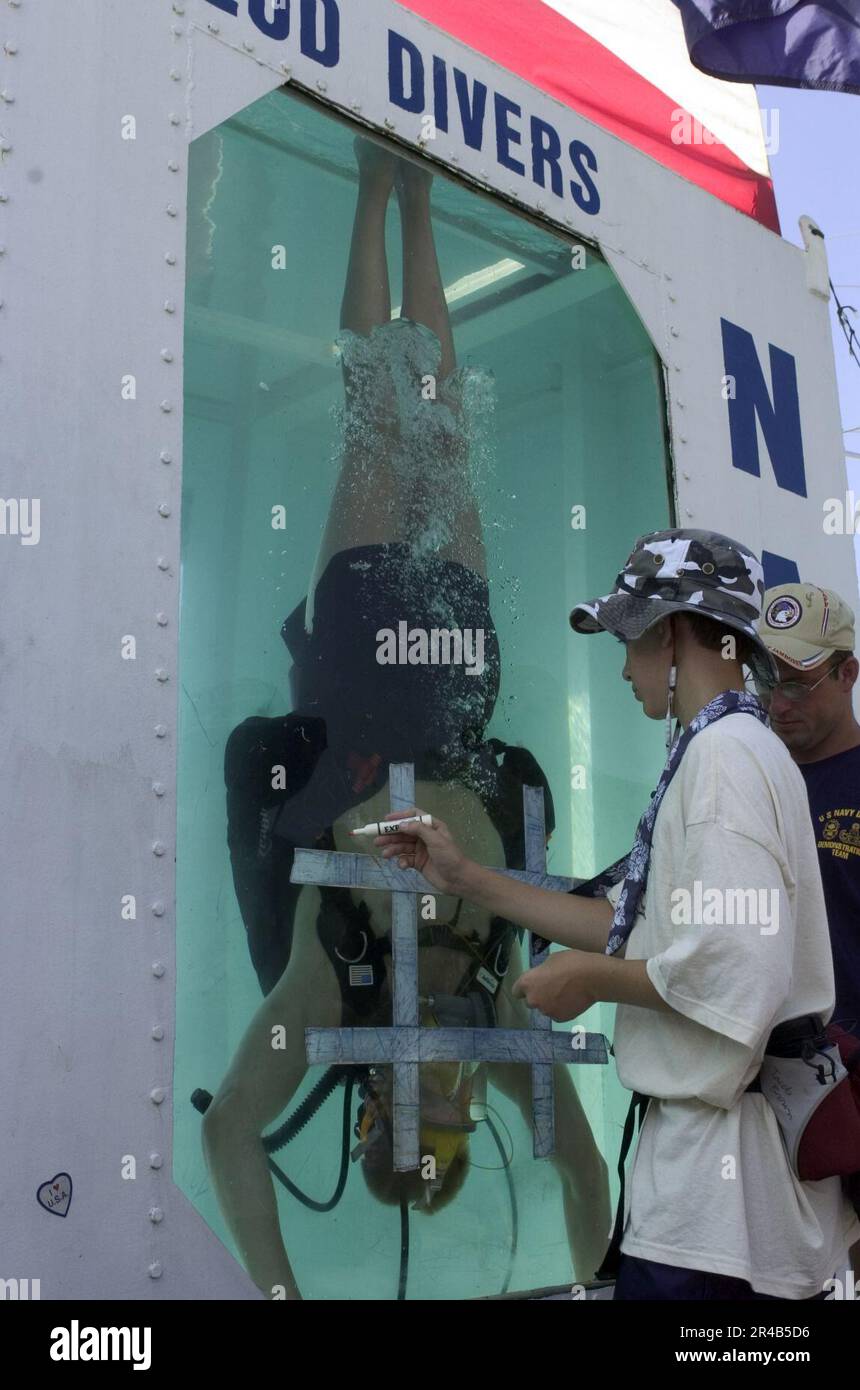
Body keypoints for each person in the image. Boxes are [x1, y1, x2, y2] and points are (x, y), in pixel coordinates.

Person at [204, 136, 610, 1299]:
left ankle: (378, 185)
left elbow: (231, 1128)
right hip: (456, 678)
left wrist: (277, 1298)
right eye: (452, 1122)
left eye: (407, 1118)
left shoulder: (330, 991)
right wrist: (596, 1288)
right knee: (441, 419)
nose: (439, 1096)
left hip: (364, 685)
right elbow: (584, 1176)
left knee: (373, 413)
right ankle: (421, 204)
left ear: (374, 1101)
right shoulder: (502, 1006)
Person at [377, 530, 860, 1300]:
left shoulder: (724, 761)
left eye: (628, 638)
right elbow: (645, 929)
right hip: (716, 1201)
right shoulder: (733, 746)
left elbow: (739, 971)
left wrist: (589, 982)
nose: (622, 662)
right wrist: (466, 877)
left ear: (671, 631)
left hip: (716, 1214)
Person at [758, 582, 860, 1269]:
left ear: (849, 670)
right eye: (767, 681)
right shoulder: (753, 780)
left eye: (799, 682)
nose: (779, 702)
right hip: (780, 1097)